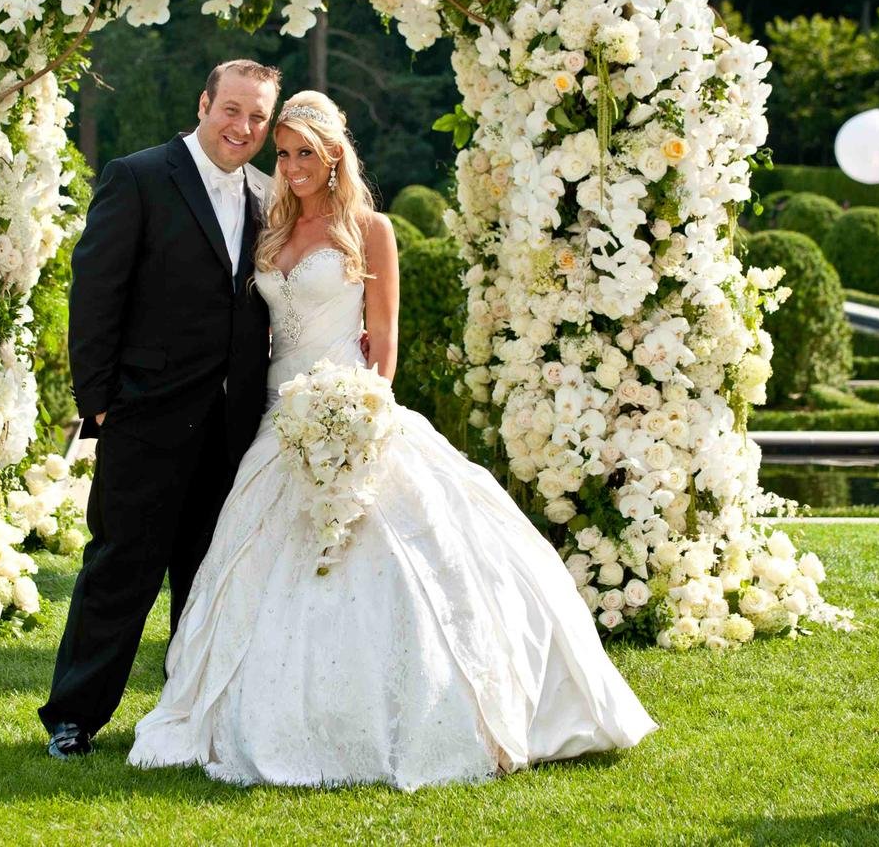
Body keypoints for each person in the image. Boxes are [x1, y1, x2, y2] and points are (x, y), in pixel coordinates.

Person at [128, 91, 656, 789]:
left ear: (334, 154)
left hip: (352, 406)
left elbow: (385, 337)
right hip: (274, 417)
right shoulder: (268, 228)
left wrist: (362, 414)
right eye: (282, 154)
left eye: (303, 153)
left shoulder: (371, 229)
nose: (290, 167)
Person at [38, 59, 280, 760]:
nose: (242, 127)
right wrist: (100, 406)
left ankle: (190, 715)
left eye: (257, 117)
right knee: (119, 570)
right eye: (231, 109)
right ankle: (73, 717)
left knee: (207, 577)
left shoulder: (267, 196)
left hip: (232, 427)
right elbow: (95, 296)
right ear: (204, 103)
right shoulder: (138, 176)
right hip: (143, 418)